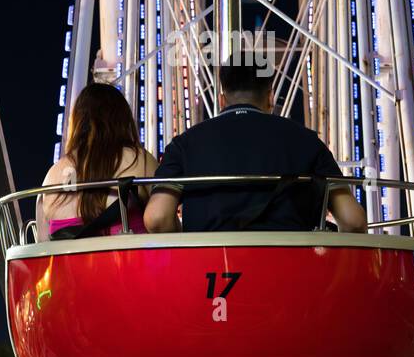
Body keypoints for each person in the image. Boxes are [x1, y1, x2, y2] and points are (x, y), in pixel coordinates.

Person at [143, 48, 368, 234]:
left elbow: (156, 218)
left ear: (222, 99)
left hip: (211, 270)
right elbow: (353, 220)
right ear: (270, 97)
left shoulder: (185, 144)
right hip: (292, 268)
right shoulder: (307, 141)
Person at [38, 81, 157, 239]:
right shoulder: (139, 160)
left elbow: (42, 246)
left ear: (77, 122)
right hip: (129, 262)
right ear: (122, 119)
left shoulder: (51, 177)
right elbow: (162, 219)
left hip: (69, 263)